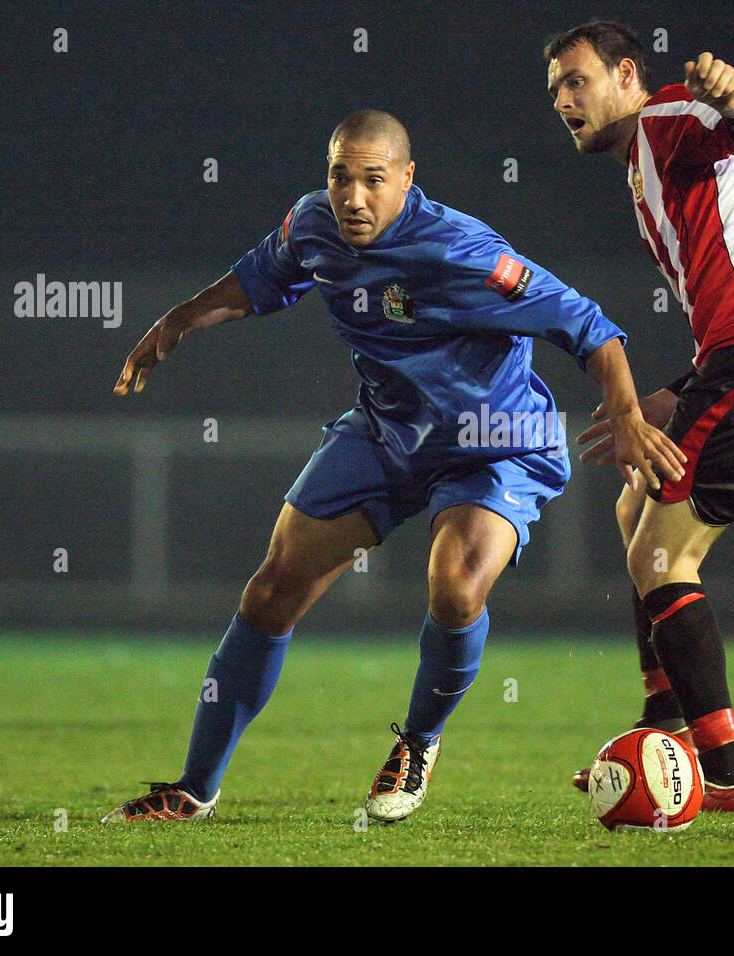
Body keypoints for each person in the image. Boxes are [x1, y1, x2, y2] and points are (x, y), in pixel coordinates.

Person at [101, 109, 684, 824]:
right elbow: (255, 281)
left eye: (373, 180)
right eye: (340, 177)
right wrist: (179, 319)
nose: (353, 197)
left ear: (407, 180)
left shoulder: (463, 251)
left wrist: (626, 414)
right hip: (387, 431)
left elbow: (588, 325)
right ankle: (193, 790)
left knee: (455, 583)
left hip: (495, 440)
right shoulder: (313, 226)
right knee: (272, 589)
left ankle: (419, 741)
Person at [543, 22, 734, 811]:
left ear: (625, 73)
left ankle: (726, 775)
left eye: (577, 80)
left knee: (659, 560)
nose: (564, 101)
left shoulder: (665, 117)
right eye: (554, 91)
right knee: (632, 501)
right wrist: (679, 391)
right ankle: (665, 724)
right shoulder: (644, 169)